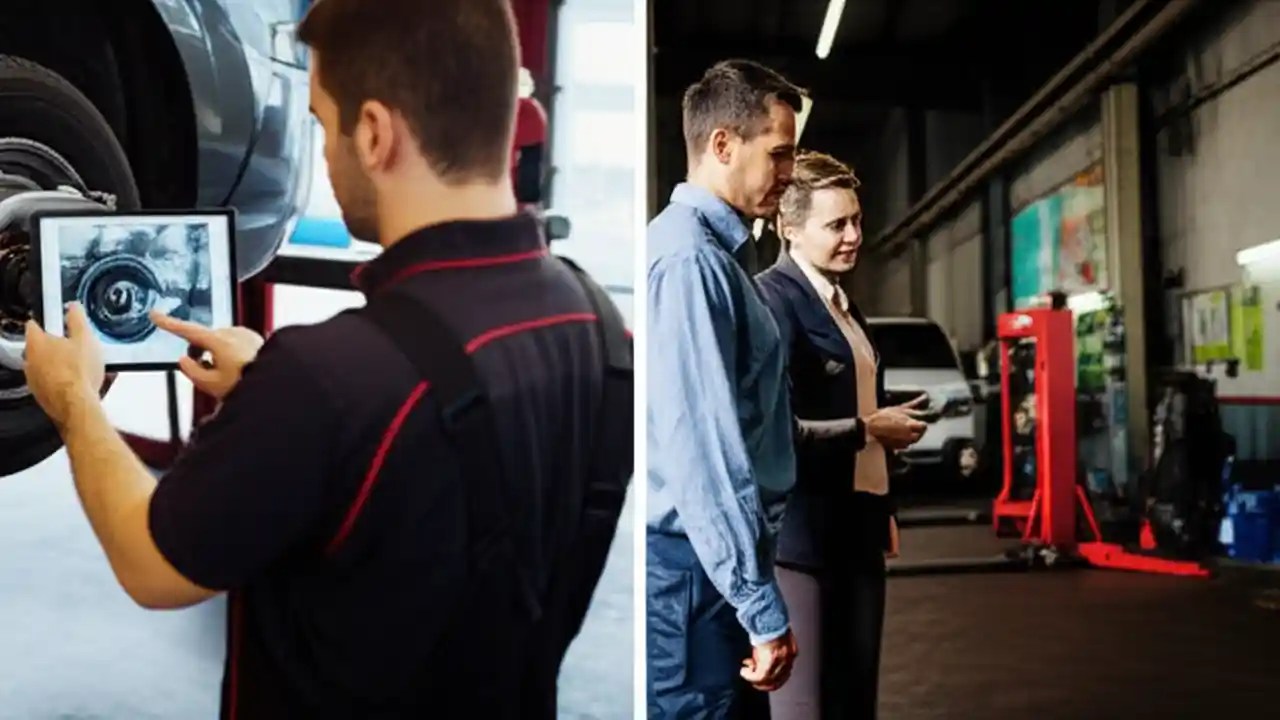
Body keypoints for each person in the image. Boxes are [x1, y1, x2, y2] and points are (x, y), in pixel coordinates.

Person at [19, 1, 632, 717]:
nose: (327, 155)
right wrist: (273, 394)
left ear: (373, 132)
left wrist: (74, 401)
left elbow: (153, 565)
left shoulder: (329, 379)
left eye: (321, 122)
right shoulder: (594, 320)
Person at [646, 59, 804, 718]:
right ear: (721, 145)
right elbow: (705, 454)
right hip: (698, 580)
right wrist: (759, 606)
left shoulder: (717, 257)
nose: (790, 172)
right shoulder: (691, 263)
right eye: (780, 153)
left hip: (712, 572)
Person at [756, 151, 928, 719]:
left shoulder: (843, 305)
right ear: (790, 228)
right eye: (837, 224)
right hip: (803, 542)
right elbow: (774, 431)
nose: (854, 235)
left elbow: (859, 408)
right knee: (804, 708)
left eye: (856, 220)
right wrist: (867, 428)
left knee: (856, 703)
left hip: (857, 531)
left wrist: (885, 506)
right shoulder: (772, 301)